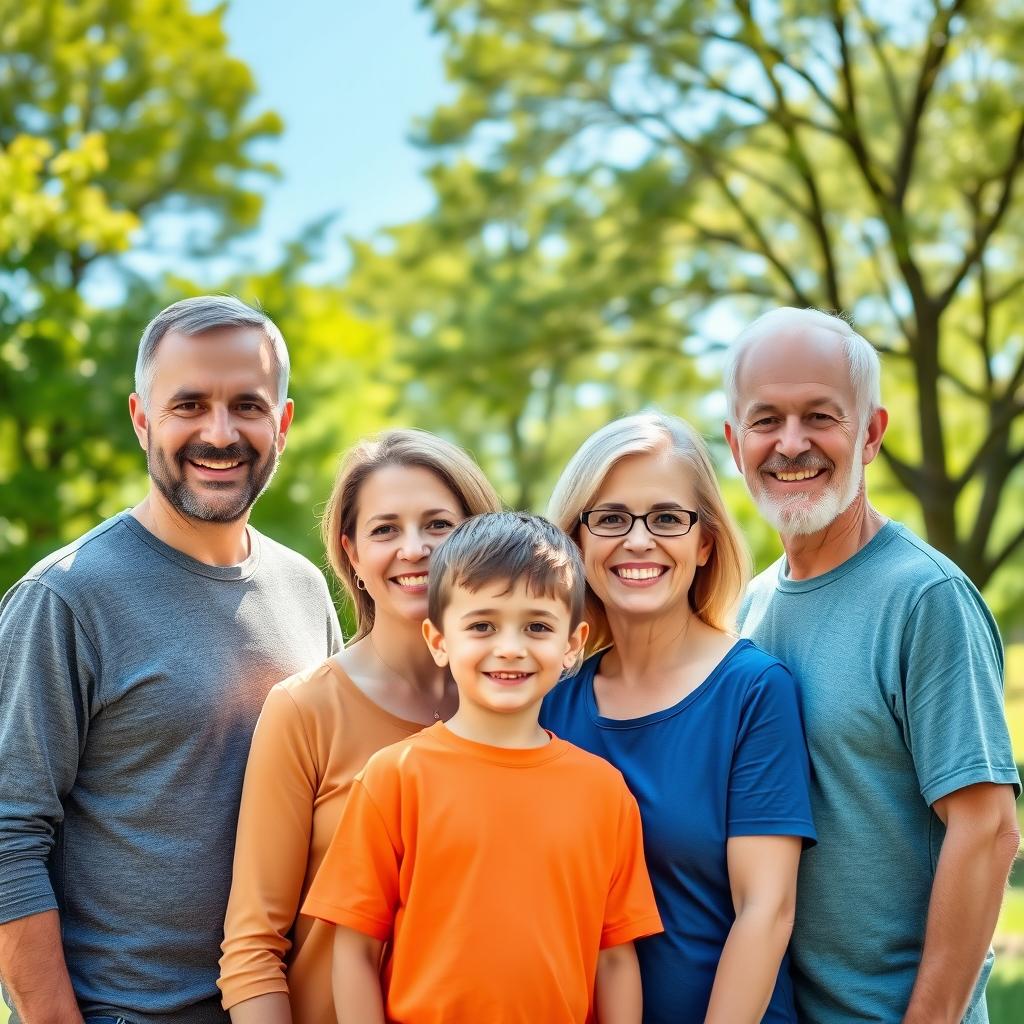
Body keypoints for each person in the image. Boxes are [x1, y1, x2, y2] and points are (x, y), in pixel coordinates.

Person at [0, 296, 343, 1023]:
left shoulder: (306, 589)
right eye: (189, 404)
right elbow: (6, 841)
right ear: (141, 418)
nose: (219, 433)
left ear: (281, 425)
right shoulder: (66, 599)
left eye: (246, 406)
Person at [724, 307, 1021, 1024]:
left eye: (819, 416)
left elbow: (987, 830)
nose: (790, 444)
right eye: (766, 420)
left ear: (871, 434)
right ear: (735, 443)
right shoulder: (749, 607)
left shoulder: (926, 597)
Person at [303, 512, 664, 1024]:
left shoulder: (605, 793)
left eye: (537, 626)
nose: (510, 647)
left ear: (572, 644)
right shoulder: (394, 778)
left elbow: (615, 959)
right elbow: (355, 951)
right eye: (482, 625)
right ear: (439, 640)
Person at [217, 430, 502, 1023]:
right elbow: (253, 949)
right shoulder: (304, 710)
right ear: (350, 552)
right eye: (385, 529)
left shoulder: (529, 711)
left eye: (440, 525)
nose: (415, 549)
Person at [542, 412, 816, 1024]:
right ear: (576, 540)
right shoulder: (549, 704)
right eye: (610, 518)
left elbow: (765, 911)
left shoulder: (752, 691)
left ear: (706, 541)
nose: (639, 541)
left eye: (667, 518)